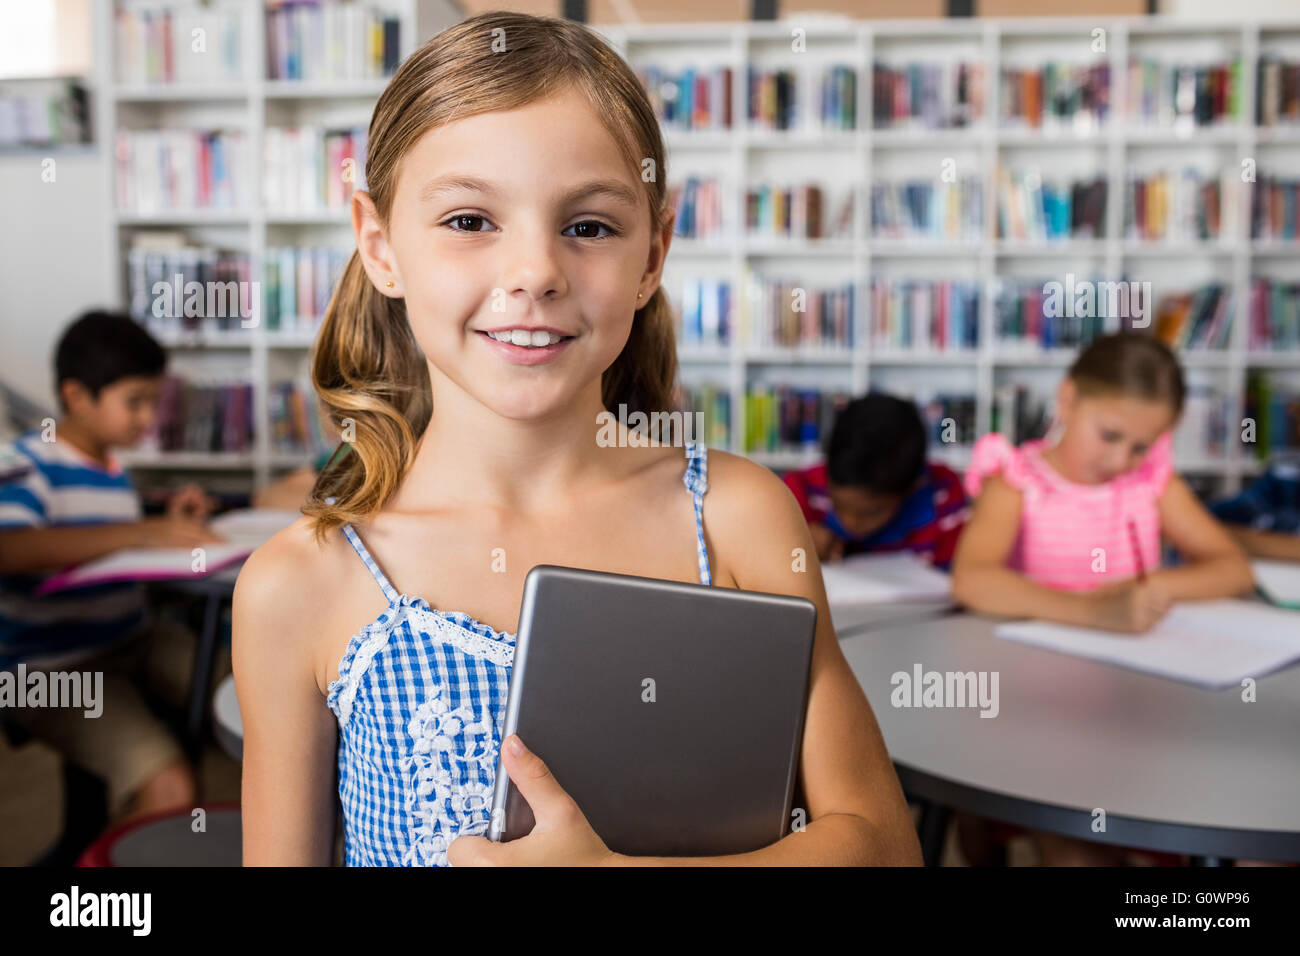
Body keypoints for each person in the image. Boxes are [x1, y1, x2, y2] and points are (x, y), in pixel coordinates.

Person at [233, 11, 922, 867]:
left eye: (588, 226)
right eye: (469, 221)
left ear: (653, 254)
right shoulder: (299, 584)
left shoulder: (738, 519)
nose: (536, 273)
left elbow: (886, 847)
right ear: (379, 245)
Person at [951, 331, 1253, 865]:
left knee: (1193, 807)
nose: (1122, 459)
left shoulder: (1152, 481)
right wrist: (1092, 610)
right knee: (1078, 851)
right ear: (1069, 400)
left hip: (1137, 702)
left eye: (1141, 445)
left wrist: (1147, 589)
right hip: (1037, 704)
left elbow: (1232, 568)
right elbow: (972, 580)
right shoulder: (1019, 480)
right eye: (1110, 434)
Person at [0, 310, 227, 827]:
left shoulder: (111, 468)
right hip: (50, 670)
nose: (149, 419)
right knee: (169, 784)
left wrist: (164, 521)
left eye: (154, 401)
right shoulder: (27, 462)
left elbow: (112, 542)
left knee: (246, 684)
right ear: (78, 398)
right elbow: (9, 549)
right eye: (136, 402)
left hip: (132, 641)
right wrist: (139, 532)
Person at [782, 393, 969, 569]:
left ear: (913, 486)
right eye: (838, 505)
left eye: (869, 514)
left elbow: (953, 580)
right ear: (827, 470)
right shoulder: (797, 494)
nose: (850, 523)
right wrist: (796, 551)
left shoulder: (943, 496)